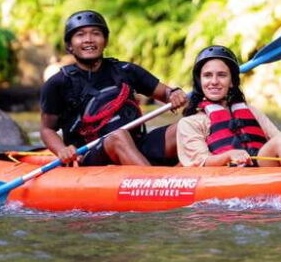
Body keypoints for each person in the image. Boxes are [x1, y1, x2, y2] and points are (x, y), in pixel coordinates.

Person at [40, 10, 188, 166]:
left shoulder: (126, 70)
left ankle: (181, 176)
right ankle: (154, 182)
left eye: (96, 34)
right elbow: (47, 130)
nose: (89, 40)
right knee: (118, 136)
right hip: (90, 155)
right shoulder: (58, 83)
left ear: (105, 41)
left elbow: (166, 93)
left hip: (137, 146)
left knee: (187, 127)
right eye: (80, 35)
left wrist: (174, 94)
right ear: (70, 46)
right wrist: (62, 149)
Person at [176, 45, 281, 167]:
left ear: (232, 82)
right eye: (208, 75)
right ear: (199, 82)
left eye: (222, 75)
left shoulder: (250, 111)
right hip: (232, 172)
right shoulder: (190, 123)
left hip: (261, 164)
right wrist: (229, 155)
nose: (214, 81)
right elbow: (201, 162)